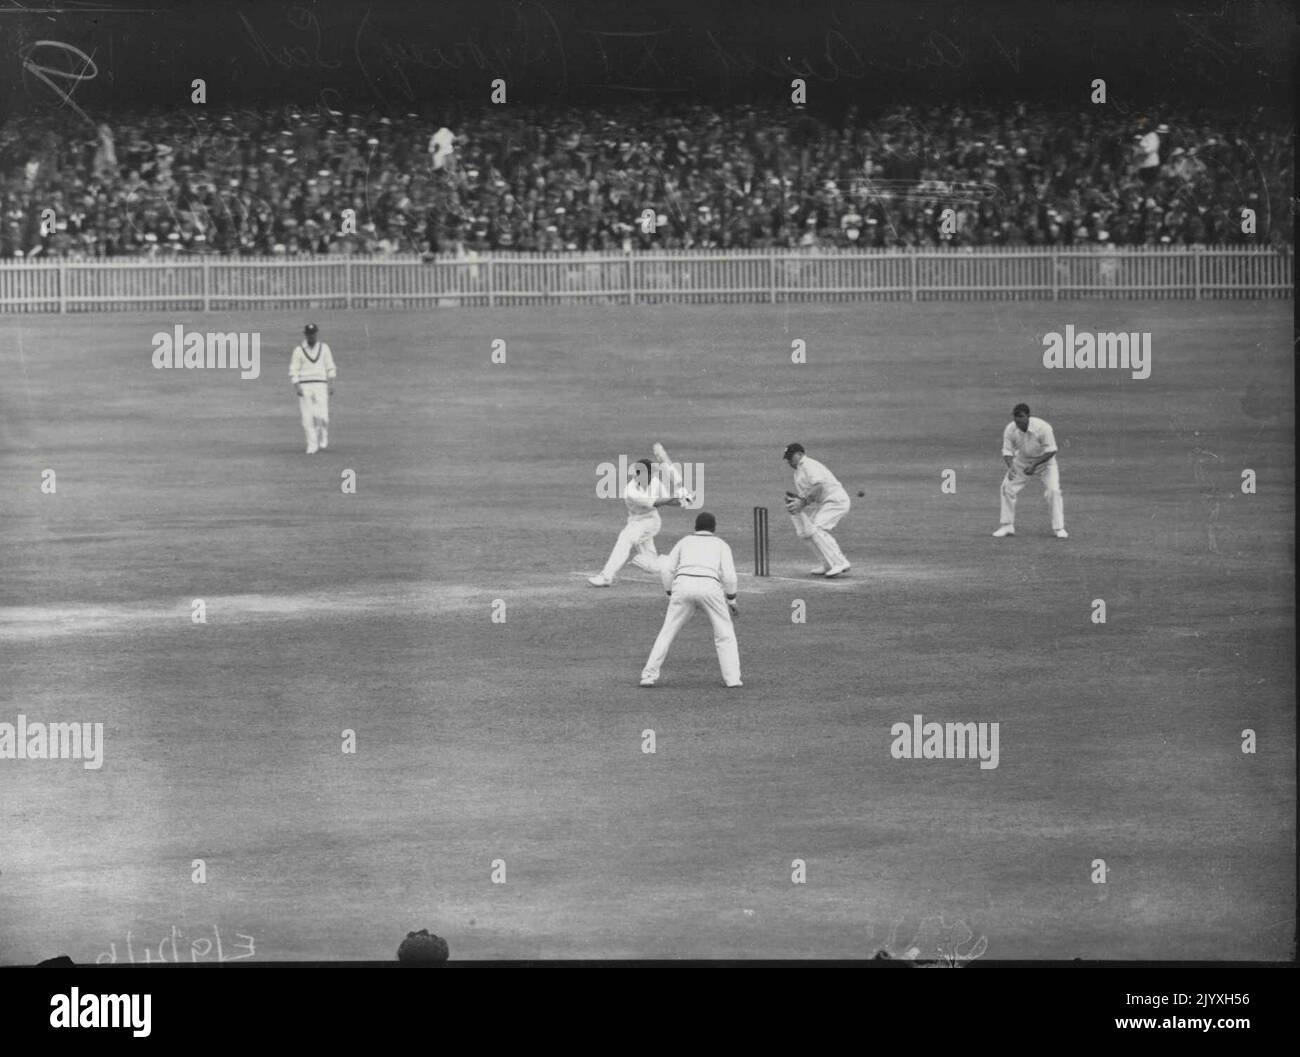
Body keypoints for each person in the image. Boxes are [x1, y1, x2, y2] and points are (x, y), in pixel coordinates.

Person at [639, 512, 741, 688]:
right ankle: (732, 680)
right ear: (714, 528)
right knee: (725, 634)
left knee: (667, 632)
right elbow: (730, 577)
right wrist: (731, 600)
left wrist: (670, 593)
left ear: (695, 527)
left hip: (683, 585)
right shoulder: (721, 544)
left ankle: (648, 676)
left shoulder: (684, 541)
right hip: (710, 588)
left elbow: (666, 570)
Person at [589, 459, 683, 587]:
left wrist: (683, 501)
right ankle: (678, 567)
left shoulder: (655, 482)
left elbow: (667, 501)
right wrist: (676, 495)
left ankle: (606, 576)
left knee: (625, 539)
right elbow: (657, 502)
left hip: (651, 522)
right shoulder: (631, 490)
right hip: (637, 521)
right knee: (652, 565)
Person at [994, 403, 1067, 538]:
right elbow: (1007, 451)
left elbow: (1051, 450)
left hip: (1045, 462)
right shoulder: (1010, 429)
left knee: (1053, 491)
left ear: (1028, 416)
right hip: (1021, 461)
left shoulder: (1043, 427)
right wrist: (1010, 468)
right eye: (1016, 418)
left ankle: (1059, 528)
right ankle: (1007, 526)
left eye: (1021, 417)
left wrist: (1034, 464)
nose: (1018, 421)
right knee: (1006, 487)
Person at [782, 443, 851, 577]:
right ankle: (828, 564)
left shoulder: (808, 465)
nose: (789, 461)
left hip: (836, 500)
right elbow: (810, 496)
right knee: (807, 532)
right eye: (787, 458)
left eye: (791, 457)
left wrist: (801, 501)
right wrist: (796, 502)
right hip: (826, 503)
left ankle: (840, 562)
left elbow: (819, 486)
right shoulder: (797, 473)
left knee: (817, 528)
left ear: (800, 454)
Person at [289, 323, 337, 454]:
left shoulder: (324, 348)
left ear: (317, 334)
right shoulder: (299, 350)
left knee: (322, 416)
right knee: (307, 417)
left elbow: (330, 367)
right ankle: (312, 445)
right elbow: (293, 370)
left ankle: (323, 433)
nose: (312, 337)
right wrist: (297, 385)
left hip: (321, 384)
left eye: (314, 334)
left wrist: (331, 384)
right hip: (305, 385)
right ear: (305, 335)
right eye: (309, 335)